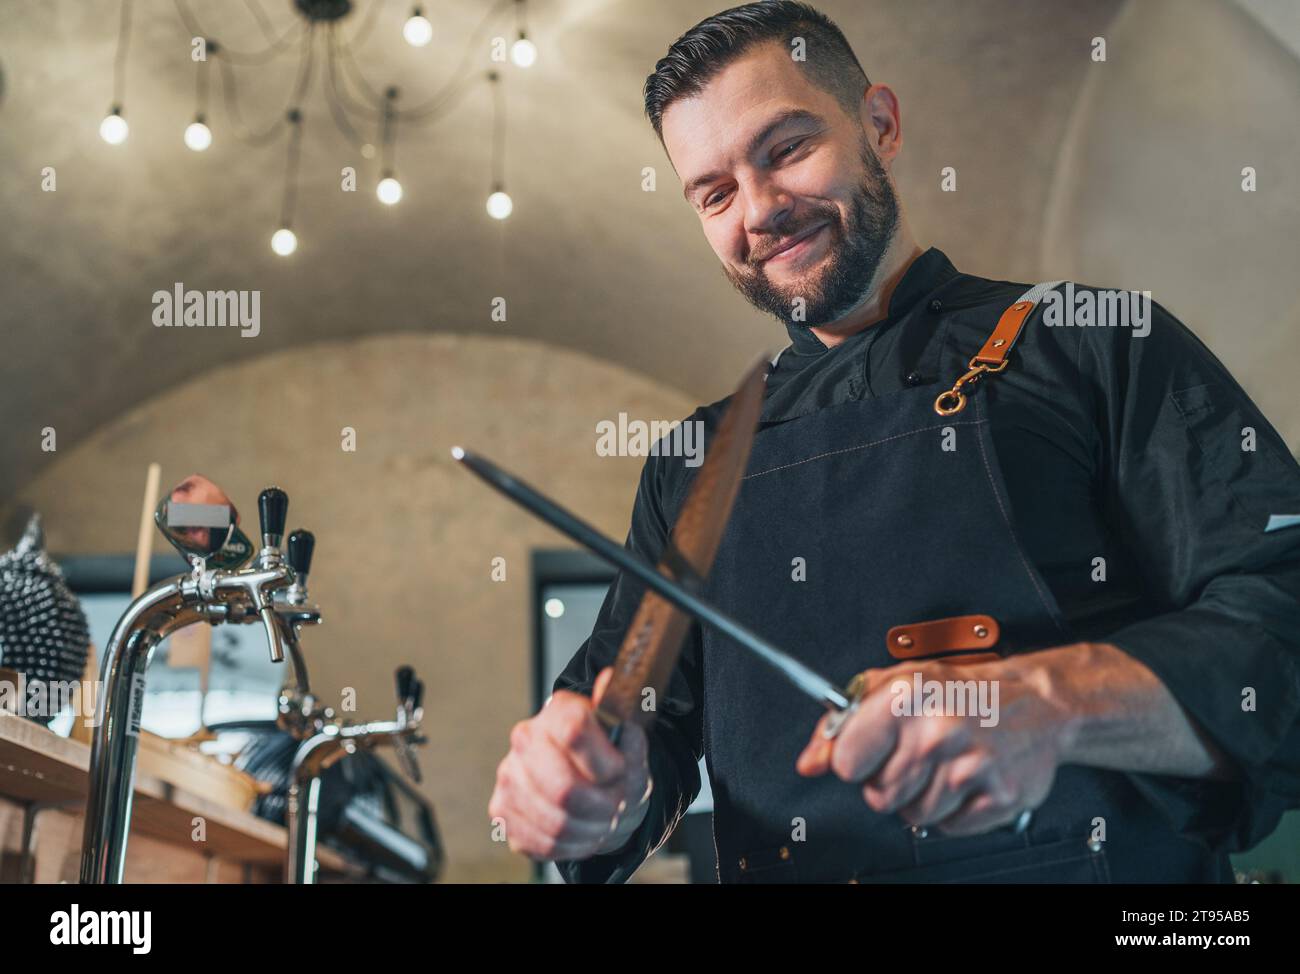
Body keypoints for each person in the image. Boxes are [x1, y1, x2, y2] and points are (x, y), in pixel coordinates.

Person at [487, 1, 1300, 882]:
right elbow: (641, 739)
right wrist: (585, 793)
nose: (759, 211)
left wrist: (1054, 704)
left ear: (880, 122)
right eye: (714, 193)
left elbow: (1282, 622)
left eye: (787, 149)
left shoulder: (1094, 342)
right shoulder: (694, 463)